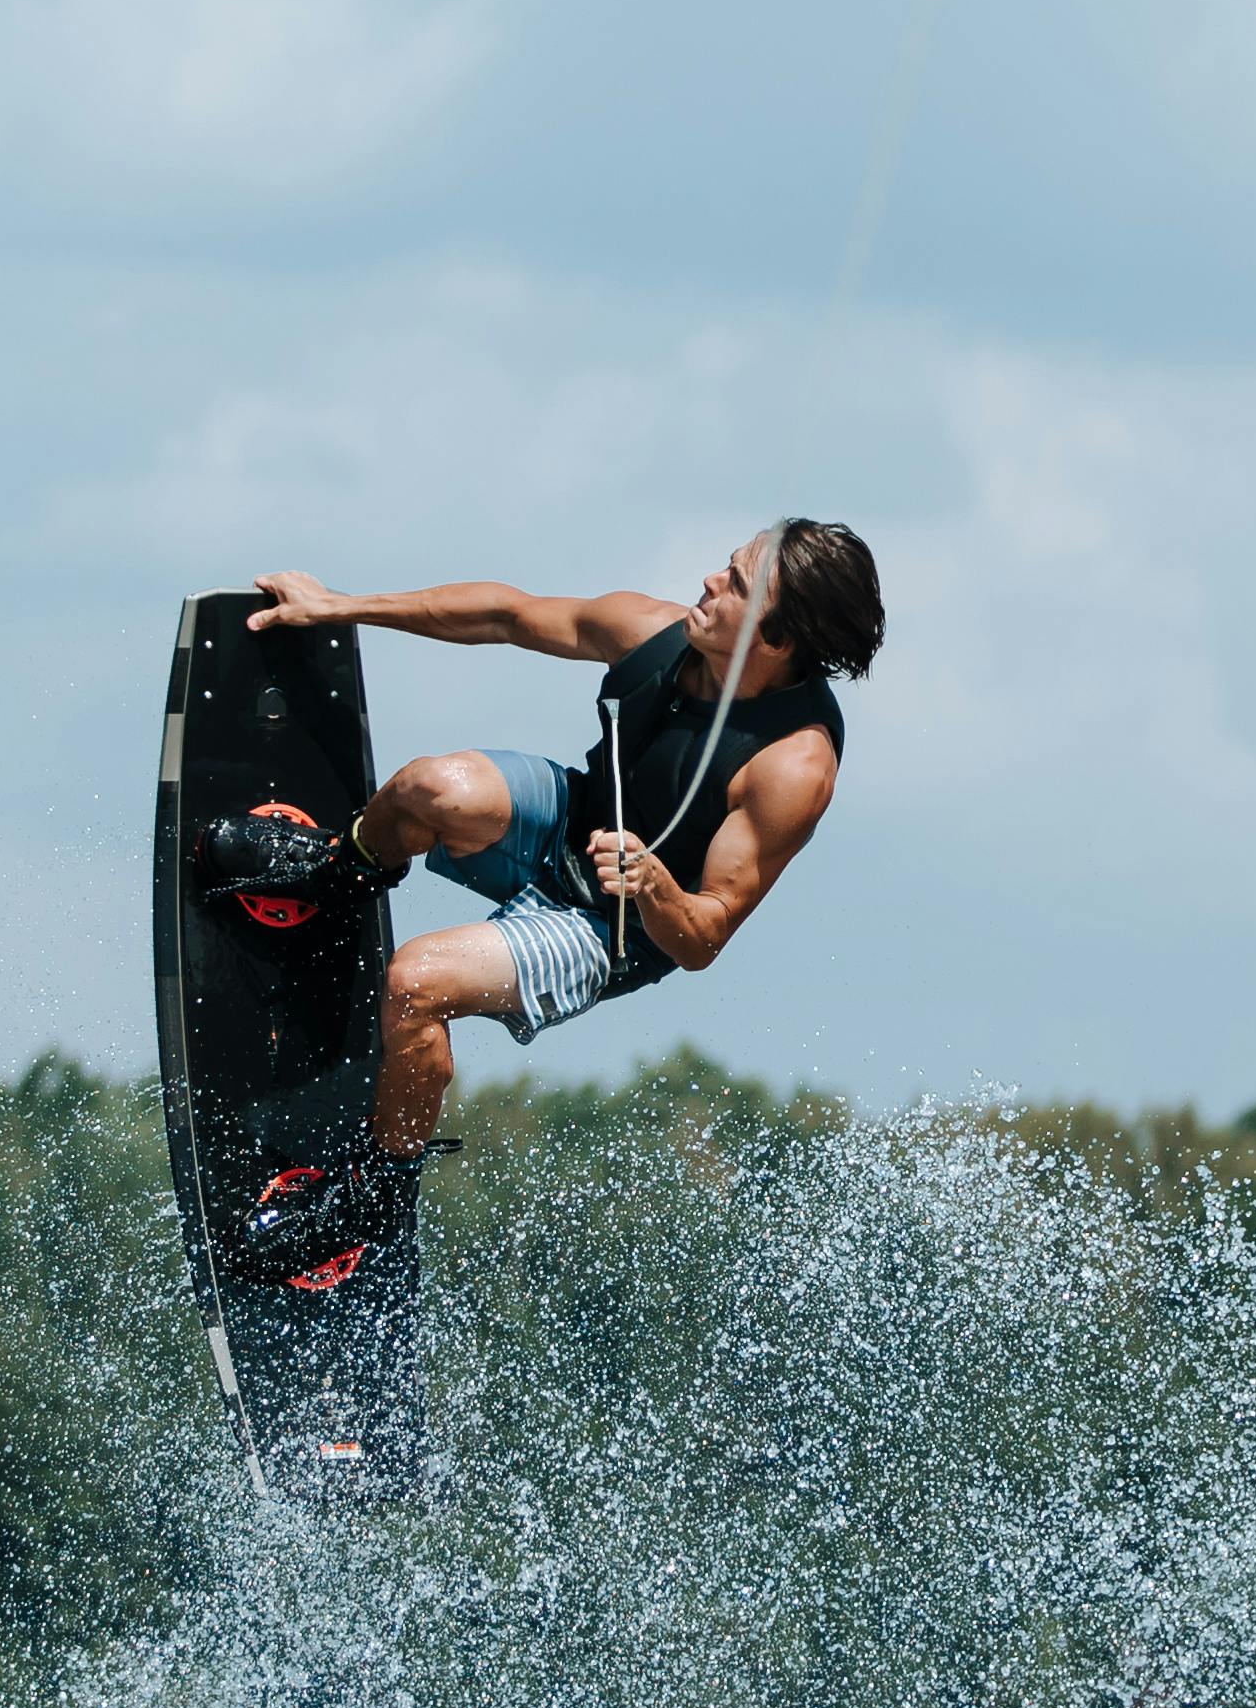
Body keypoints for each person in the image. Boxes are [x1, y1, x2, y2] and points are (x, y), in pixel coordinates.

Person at [199, 522, 881, 1248]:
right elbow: (506, 612)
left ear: (777, 641)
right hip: (567, 827)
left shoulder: (792, 768)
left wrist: (652, 883)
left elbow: (703, 936)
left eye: (738, 584)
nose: (711, 581)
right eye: (727, 566)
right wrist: (338, 606)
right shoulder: (655, 632)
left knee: (416, 982)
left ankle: (375, 1193)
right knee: (432, 786)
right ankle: (340, 874)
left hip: (611, 931)